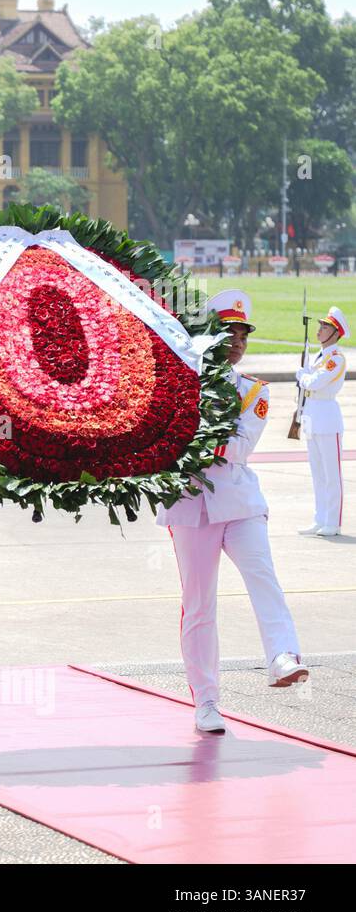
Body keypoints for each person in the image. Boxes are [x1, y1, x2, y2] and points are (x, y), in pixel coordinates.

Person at [157, 289, 309, 733]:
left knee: (263, 576)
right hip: (190, 508)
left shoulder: (254, 392)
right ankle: (206, 701)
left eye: (243, 333)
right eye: (229, 332)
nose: (238, 341)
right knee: (199, 605)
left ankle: (283, 656)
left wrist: (188, 434)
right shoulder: (177, 383)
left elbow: (237, 447)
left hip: (239, 504)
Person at [296, 306, 347, 537]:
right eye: (320, 325)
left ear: (336, 333)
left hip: (327, 416)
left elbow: (315, 383)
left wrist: (302, 376)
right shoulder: (319, 356)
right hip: (312, 416)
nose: (319, 330)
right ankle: (320, 518)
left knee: (331, 474)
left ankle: (333, 522)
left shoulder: (336, 359)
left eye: (325, 326)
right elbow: (310, 380)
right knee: (317, 472)